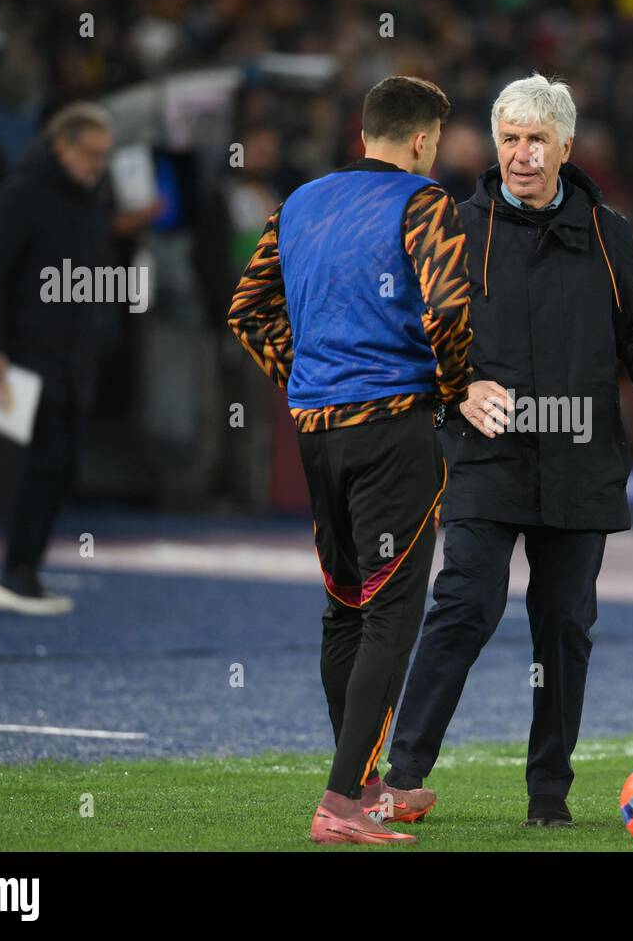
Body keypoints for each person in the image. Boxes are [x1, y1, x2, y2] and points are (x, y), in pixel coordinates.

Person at [382, 74, 633, 827]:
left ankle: (548, 798)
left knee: (564, 625)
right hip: (487, 451)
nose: (522, 154)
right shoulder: (453, 230)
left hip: (579, 459)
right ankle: (399, 775)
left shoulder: (610, 233)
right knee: (465, 605)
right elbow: (413, 338)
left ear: (566, 147)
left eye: (537, 139)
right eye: (510, 138)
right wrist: (458, 387)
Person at [228, 76, 478, 846]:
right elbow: (449, 308)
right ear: (422, 141)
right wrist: (452, 390)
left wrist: (302, 379)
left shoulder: (299, 202)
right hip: (393, 429)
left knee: (346, 606)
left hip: (317, 433)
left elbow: (246, 310)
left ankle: (363, 786)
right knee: (394, 613)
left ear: (364, 130)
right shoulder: (425, 201)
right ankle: (341, 804)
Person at [0, 102, 115, 616]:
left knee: (60, 468)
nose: (99, 164)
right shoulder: (21, 196)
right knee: (41, 466)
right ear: (62, 146)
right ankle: (15, 573)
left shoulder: (88, 201)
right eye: (91, 154)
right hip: (27, 358)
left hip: (71, 359)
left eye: (105, 156)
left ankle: (25, 570)